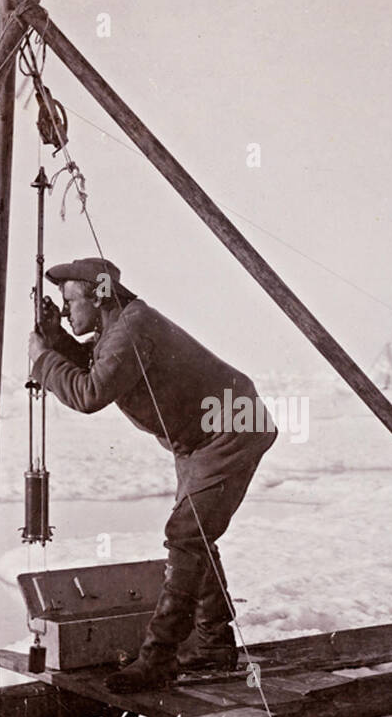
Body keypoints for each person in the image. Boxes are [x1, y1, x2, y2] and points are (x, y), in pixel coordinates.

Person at [28, 258, 276, 693]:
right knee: (195, 535)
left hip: (234, 426)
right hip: (201, 437)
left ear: (99, 294)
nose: (66, 310)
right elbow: (97, 363)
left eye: (69, 302)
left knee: (186, 534)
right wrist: (57, 339)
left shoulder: (131, 329)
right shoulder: (119, 327)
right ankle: (214, 644)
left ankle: (157, 660)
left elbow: (89, 393)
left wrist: (44, 360)